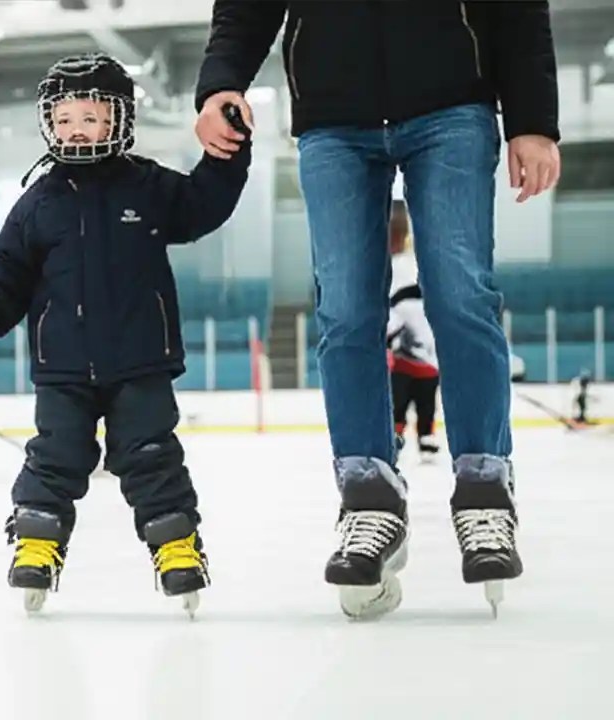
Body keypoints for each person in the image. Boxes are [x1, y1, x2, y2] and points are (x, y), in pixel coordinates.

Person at [194, 1, 561, 617]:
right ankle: (369, 499)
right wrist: (220, 83)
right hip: (333, 119)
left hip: (452, 104)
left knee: (462, 294)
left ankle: (484, 490)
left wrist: (533, 120)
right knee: (344, 313)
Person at [0, 53, 251, 614]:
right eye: (63, 120)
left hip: (140, 363)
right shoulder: (38, 203)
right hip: (62, 369)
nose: (74, 130)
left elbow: (203, 205)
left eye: (89, 117)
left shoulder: (148, 186)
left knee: (151, 455)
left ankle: (177, 546)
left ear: (120, 120)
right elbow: (8, 278)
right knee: (54, 457)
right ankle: (36, 542)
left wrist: (227, 156)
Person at [386, 201, 441, 463]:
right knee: (405, 401)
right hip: (413, 359)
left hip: (417, 359)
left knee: (420, 402)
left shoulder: (400, 269)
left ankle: (420, 434)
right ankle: (409, 434)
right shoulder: (411, 266)